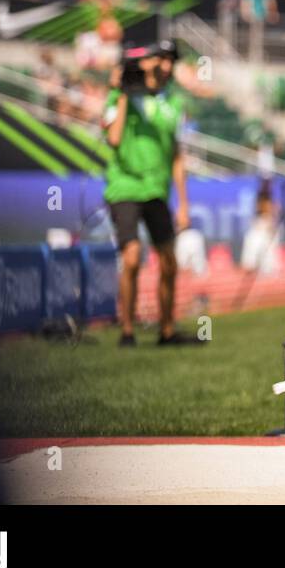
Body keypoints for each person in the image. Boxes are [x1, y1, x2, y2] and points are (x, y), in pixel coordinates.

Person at [103, 40, 194, 347]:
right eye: (161, 59)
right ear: (149, 61)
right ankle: (127, 331)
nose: (166, 65)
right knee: (131, 258)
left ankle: (167, 331)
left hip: (158, 189)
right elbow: (114, 138)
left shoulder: (174, 102)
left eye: (171, 60)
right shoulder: (119, 94)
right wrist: (124, 92)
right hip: (125, 186)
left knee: (169, 261)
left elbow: (178, 155)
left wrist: (183, 203)